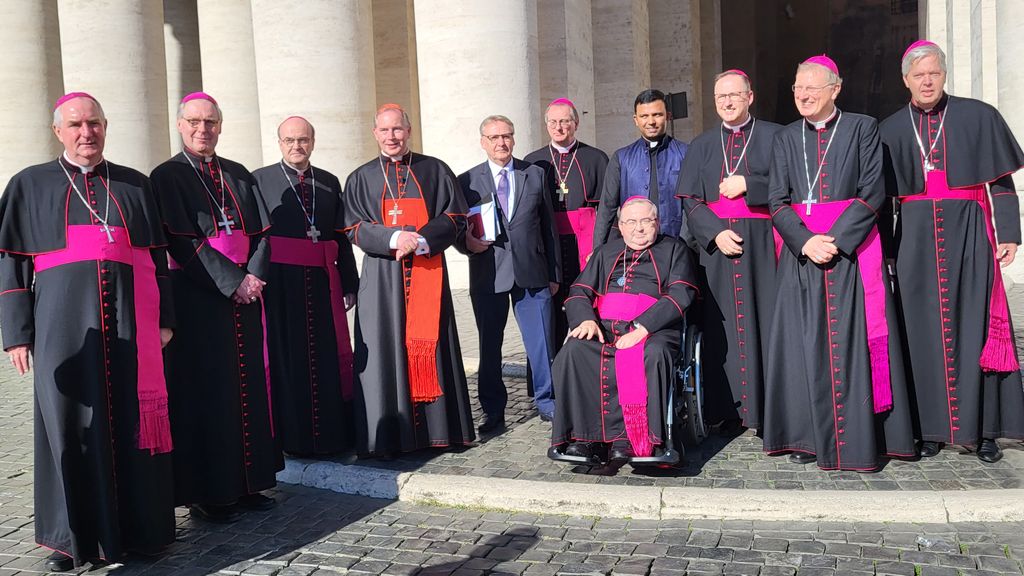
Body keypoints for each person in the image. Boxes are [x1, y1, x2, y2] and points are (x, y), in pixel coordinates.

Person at [0, 92, 174, 571]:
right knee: (68, 426)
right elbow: (11, 265)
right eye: (76, 125)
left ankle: (143, 531)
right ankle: (69, 540)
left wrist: (165, 319)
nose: (86, 133)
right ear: (58, 131)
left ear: (105, 126)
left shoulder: (134, 184)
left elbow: (158, 259)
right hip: (64, 330)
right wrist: (17, 333)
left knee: (133, 421)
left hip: (130, 325)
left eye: (94, 123)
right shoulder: (29, 184)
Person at [764, 56, 916, 471]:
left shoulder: (862, 128)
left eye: (812, 87)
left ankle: (865, 436)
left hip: (851, 254)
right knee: (801, 344)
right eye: (798, 88)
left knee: (857, 342)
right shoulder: (786, 137)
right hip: (802, 255)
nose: (803, 95)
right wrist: (805, 242)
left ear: (835, 88)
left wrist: (836, 241)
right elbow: (776, 200)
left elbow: (873, 192)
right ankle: (806, 436)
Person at [880, 40, 1024, 463]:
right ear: (905, 80)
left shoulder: (979, 116)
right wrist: (888, 251)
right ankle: (929, 429)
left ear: (944, 75)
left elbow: (1000, 182)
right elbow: (882, 200)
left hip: (970, 232)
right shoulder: (889, 129)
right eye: (919, 75)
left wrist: (1009, 233)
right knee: (918, 332)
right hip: (914, 240)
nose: (927, 81)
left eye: (934, 73)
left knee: (976, 327)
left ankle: (985, 431)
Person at [151, 92, 280, 523]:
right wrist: (232, 282)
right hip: (198, 299)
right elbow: (180, 241)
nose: (202, 129)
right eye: (194, 122)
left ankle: (249, 483)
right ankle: (209, 492)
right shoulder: (167, 176)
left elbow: (262, 235)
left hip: (246, 297)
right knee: (207, 394)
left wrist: (254, 277)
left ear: (220, 126)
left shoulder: (238, 174)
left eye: (210, 122)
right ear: (180, 125)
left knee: (248, 390)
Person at [342, 104, 476, 456]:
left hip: (427, 269)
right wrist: (393, 238)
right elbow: (353, 227)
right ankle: (390, 438)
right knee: (385, 351)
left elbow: (456, 215)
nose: (392, 137)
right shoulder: (360, 177)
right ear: (375, 133)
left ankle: (438, 432)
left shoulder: (435, 169)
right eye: (385, 130)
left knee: (433, 346)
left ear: (409, 131)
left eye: (398, 129)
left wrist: (421, 240)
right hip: (382, 280)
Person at [551, 197, 697, 462]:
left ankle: (637, 439)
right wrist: (585, 320)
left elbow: (680, 294)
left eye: (645, 221)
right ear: (620, 226)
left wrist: (643, 328)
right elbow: (579, 291)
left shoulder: (675, 250)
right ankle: (585, 438)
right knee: (574, 350)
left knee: (653, 354)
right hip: (605, 329)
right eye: (631, 221)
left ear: (657, 223)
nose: (638, 228)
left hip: (654, 330)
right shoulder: (606, 252)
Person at [676, 70, 782, 434]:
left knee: (766, 322)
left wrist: (749, 184)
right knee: (722, 329)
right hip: (717, 249)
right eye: (721, 97)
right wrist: (715, 233)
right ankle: (727, 409)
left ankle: (769, 409)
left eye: (734, 95)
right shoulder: (701, 144)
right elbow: (690, 200)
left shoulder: (775, 136)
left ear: (749, 97)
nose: (727, 102)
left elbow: (791, 186)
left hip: (763, 245)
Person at [253, 116, 359, 456]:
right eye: (290, 140)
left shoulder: (328, 181)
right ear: (279, 143)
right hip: (280, 285)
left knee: (328, 358)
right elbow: (257, 238)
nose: (296, 146)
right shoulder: (260, 180)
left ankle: (331, 435)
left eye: (303, 140)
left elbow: (340, 238)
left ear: (312, 142)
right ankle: (292, 438)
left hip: (323, 283)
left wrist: (349, 282)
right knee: (288, 359)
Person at [457, 115, 561, 432]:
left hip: (533, 272)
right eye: (494, 137)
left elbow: (549, 226)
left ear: (513, 139)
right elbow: (458, 228)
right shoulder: (466, 181)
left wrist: (554, 273)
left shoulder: (534, 174)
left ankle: (547, 402)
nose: (501, 142)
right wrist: (466, 245)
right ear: (483, 142)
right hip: (489, 275)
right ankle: (493, 410)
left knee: (542, 343)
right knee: (490, 346)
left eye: (507, 136)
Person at [524, 98, 609, 349]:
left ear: (576, 123)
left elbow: (608, 208)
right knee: (548, 314)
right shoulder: (533, 161)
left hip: (586, 246)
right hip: (547, 246)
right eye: (553, 122)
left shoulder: (596, 158)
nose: (558, 127)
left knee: (587, 303)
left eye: (564, 121)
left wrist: (600, 247)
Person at [593, 89, 688, 250]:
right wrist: (597, 250)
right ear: (636, 120)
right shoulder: (621, 158)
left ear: (668, 116)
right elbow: (607, 208)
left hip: (676, 244)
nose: (651, 121)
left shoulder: (685, 153)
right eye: (644, 116)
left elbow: (692, 206)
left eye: (657, 115)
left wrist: (687, 246)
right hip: (634, 246)